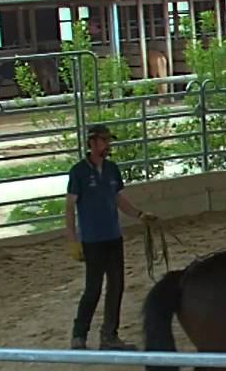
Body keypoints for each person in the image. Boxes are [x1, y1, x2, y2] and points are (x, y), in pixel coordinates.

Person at [64, 124, 157, 351]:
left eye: (108, 141)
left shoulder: (112, 170)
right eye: (104, 141)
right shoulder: (78, 172)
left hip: (113, 237)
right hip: (93, 240)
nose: (108, 145)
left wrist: (139, 214)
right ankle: (79, 333)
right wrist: (73, 239)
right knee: (93, 288)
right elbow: (69, 207)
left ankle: (109, 335)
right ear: (92, 143)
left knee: (116, 286)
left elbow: (119, 199)